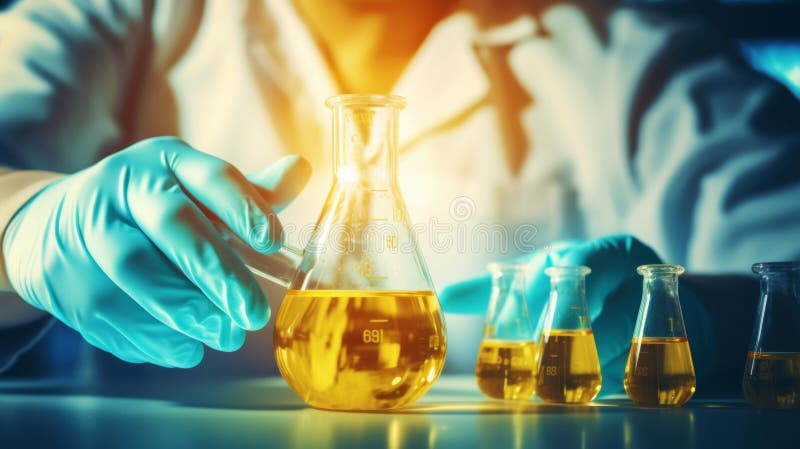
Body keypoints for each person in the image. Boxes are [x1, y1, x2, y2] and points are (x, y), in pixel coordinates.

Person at [0, 0, 798, 391]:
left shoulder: (637, 63)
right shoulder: (122, 16)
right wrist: (25, 223)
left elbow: (788, 271)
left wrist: (696, 319)